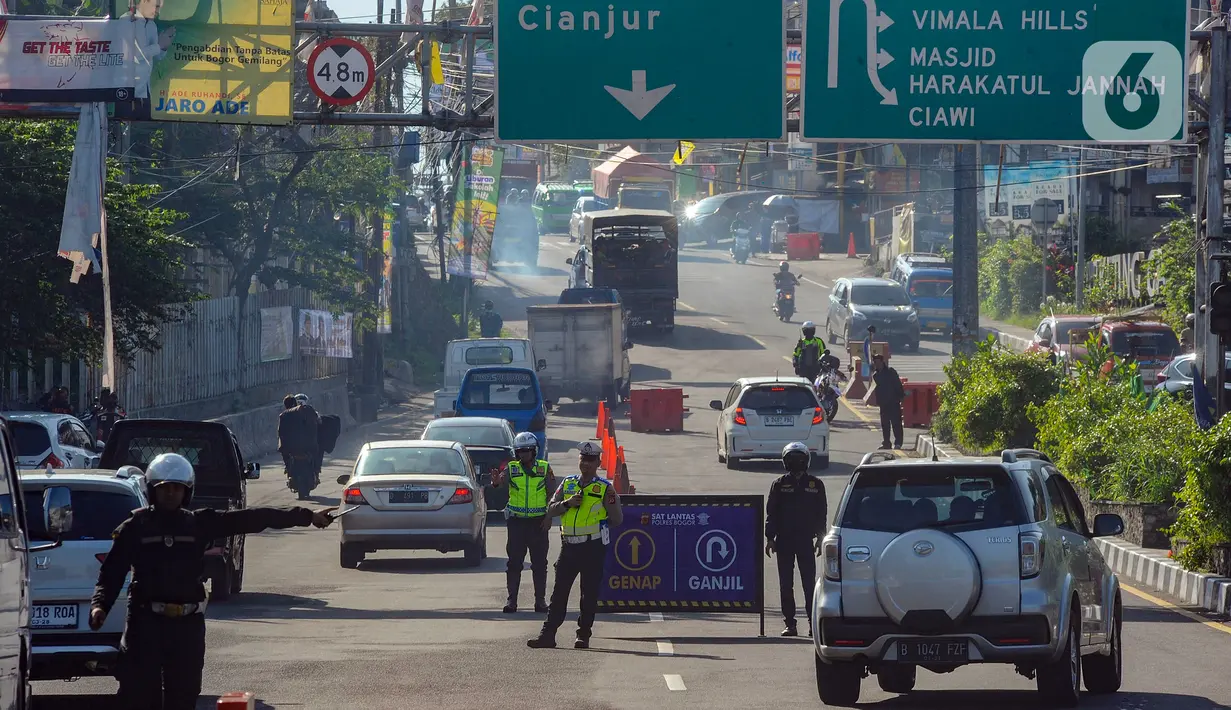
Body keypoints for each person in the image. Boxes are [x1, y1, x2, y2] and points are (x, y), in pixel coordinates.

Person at [89, 452, 337, 709]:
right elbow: (112, 572)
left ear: (187, 491)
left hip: (186, 626)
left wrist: (307, 516)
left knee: (183, 697)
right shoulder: (135, 527)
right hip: (144, 624)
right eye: (164, 488)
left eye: (177, 488)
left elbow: (255, 518)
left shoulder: (199, 523)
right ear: (152, 490)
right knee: (139, 696)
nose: (171, 494)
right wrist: (100, 606)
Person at [527, 441, 623, 650]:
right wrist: (567, 503)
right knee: (559, 593)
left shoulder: (605, 488)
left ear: (597, 463)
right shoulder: (568, 483)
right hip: (569, 547)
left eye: (590, 460)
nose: (586, 464)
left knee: (588, 594)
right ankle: (548, 635)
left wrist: (598, 525)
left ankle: (583, 635)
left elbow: (617, 519)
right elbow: (550, 508)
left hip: (592, 547)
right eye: (583, 459)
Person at [764, 442, 827, 637]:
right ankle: (790, 624)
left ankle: (812, 624)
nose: (796, 462)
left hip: (805, 541)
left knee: (809, 585)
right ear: (785, 462)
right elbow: (771, 513)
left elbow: (821, 514)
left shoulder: (816, 485)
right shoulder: (779, 484)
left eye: (800, 459)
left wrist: (820, 538)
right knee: (786, 585)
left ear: (806, 460)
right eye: (792, 459)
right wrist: (770, 538)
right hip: (784, 541)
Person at [490, 432, 556, 614]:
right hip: (517, 523)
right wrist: (495, 482)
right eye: (520, 451)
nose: (523, 454)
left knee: (540, 564)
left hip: (539, 524)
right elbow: (500, 482)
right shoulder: (511, 468)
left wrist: (549, 517)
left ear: (534, 451)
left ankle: (540, 601)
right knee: (514, 563)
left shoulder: (544, 468)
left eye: (527, 451)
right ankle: (512, 600)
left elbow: (553, 495)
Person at [277, 394, 319, 497]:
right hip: (304, 447)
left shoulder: (284, 415)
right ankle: (315, 470)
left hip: (293, 448)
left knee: (286, 456)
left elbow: (281, 432)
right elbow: (314, 425)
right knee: (316, 453)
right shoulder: (305, 411)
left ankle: (290, 470)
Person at [872, 353, 905, 449]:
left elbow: (898, 384)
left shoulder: (891, 372)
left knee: (896, 423)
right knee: (885, 424)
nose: (877, 364)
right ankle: (886, 442)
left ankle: (898, 443)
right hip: (883, 403)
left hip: (893, 401)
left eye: (878, 362)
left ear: (882, 362)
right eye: (875, 362)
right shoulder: (876, 375)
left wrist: (901, 396)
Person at [295, 393, 323, 488]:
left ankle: (316, 471)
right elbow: (319, 422)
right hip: (307, 444)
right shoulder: (311, 411)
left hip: (297, 444)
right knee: (318, 452)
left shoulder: (290, 413)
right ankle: (317, 471)